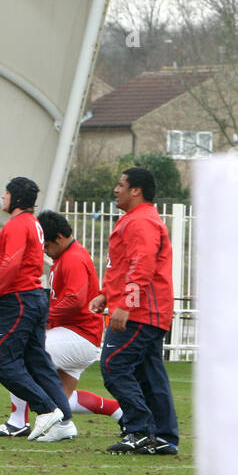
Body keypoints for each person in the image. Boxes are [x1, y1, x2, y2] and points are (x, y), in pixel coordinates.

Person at [0, 210, 123, 441]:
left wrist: (43, 318)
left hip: (78, 335)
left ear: (60, 238)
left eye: (47, 244)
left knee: (19, 356)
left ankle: (17, 422)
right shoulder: (65, 257)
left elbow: (75, 300)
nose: (44, 250)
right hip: (79, 336)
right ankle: (117, 411)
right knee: (61, 399)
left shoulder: (72, 258)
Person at [88, 166, 179, 456]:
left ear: (135, 190)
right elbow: (124, 266)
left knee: (114, 365)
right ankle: (163, 436)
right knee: (150, 375)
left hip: (141, 311)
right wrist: (106, 294)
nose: (116, 190)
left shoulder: (140, 222)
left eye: (120, 185)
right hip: (150, 309)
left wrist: (126, 304)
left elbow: (141, 265)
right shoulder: (138, 219)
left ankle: (138, 430)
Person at [0, 177, 72, 441]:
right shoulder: (33, 223)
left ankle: (46, 410)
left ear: (16, 198)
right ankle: (63, 421)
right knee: (38, 362)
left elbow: (11, 264)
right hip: (34, 297)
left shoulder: (18, 225)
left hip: (18, 299)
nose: (2, 197)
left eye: (6, 194)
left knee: (3, 363)